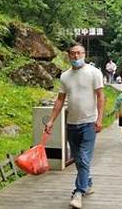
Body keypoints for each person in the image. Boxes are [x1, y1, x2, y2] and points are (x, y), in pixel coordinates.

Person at [44, 44, 104, 209]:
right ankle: (88, 182)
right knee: (78, 159)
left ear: (84, 54)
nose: (76, 56)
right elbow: (60, 100)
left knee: (84, 158)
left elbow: (100, 96)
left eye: (79, 53)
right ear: (68, 56)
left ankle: (78, 192)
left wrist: (100, 119)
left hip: (89, 122)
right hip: (71, 123)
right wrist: (51, 120)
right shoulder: (65, 76)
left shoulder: (94, 72)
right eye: (73, 54)